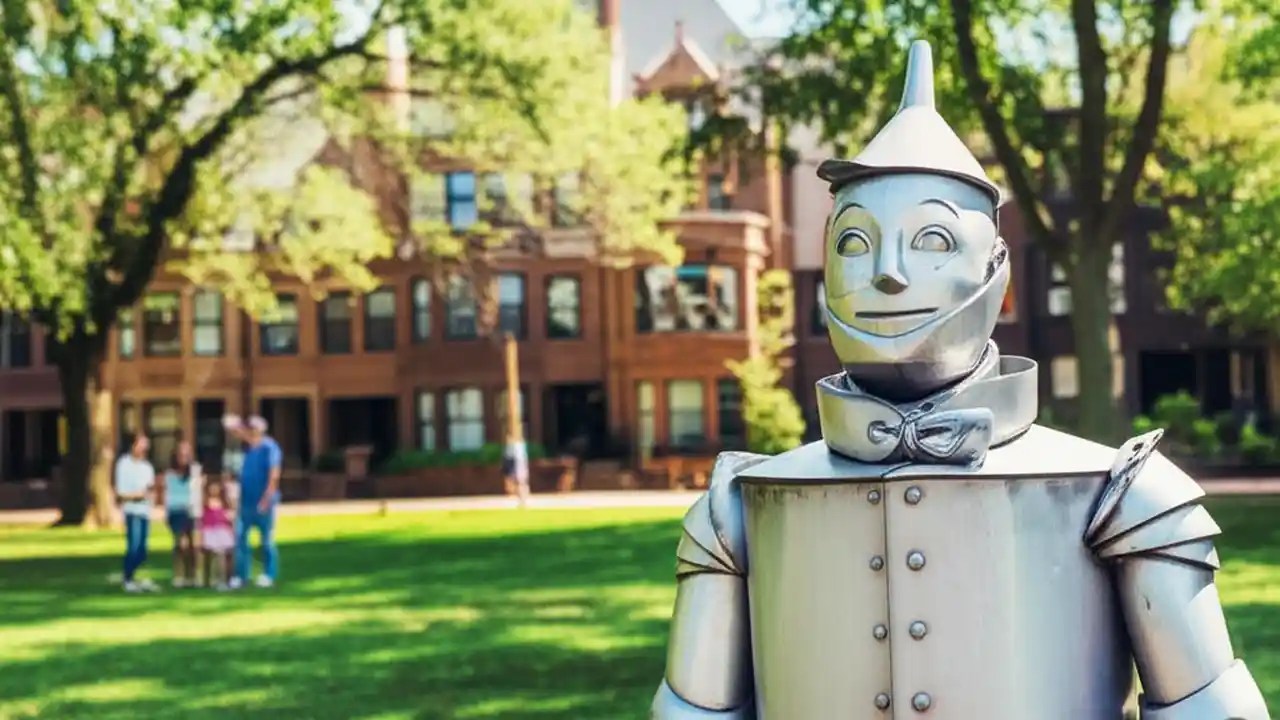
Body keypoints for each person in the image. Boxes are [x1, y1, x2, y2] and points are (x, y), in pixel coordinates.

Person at [229, 415, 282, 589]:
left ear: (261, 430)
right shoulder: (248, 450)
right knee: (241, 538)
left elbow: (274, 475)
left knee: (266, 540)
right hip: (246, 501)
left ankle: (268, 575)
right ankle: (241, 576)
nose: (250, 432)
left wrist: (267, 498)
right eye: (249, 428)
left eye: (253, 428)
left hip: (264, 501)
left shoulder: (270, 448)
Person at [114, 433, 157, 593]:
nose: (144, 448)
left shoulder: (147, 467)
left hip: (144, 511)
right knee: (133, 546)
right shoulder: (123, 464)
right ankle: (128, 579)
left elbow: (150, 489)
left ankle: (134, 576)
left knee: (142, 550)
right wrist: (137, 495)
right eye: (141, 444)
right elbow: (121, 492)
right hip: (132, 511)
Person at [159, 441, 203, 588]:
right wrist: (166, 512)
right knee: (180, 545)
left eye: (186, 454)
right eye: (181, 454)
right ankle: (179, 575)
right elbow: (167, 494)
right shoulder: (170, 474)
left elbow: (198, 492)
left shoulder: (195, 471)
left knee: (194, 546)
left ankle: (194, 575)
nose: (183, 457)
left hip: (192, 511)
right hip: (176, 511)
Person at [199, 479, 235, 591]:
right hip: (210, 533)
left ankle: (224, 579)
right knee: (210, 557)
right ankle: (210, 579)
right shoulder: (205, 503)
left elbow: (229, 519)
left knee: (223, 557)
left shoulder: (224, 503)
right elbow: (203, 521)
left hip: (222, 533)